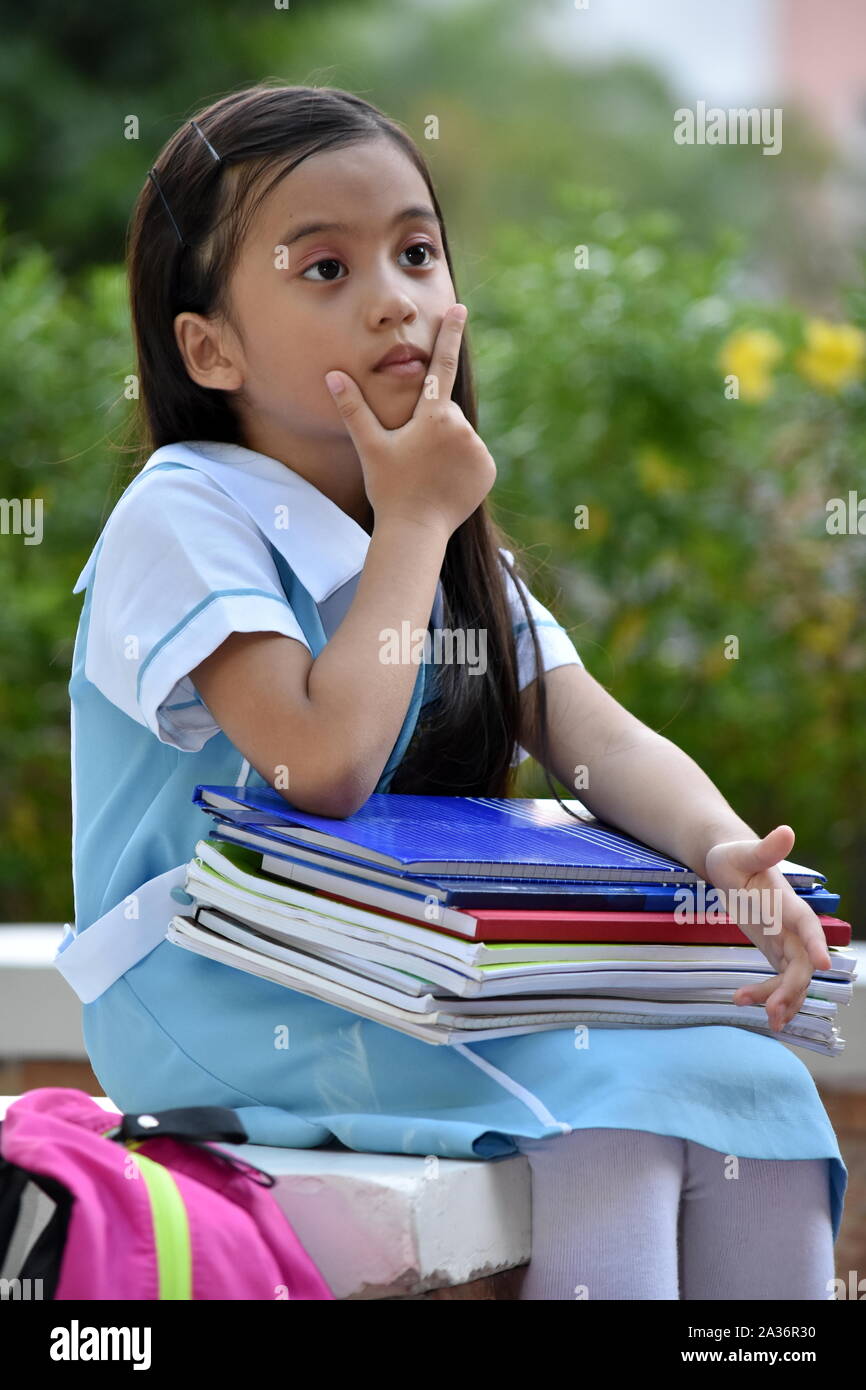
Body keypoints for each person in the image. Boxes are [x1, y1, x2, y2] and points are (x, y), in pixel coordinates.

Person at [55, 82, 845, 1300]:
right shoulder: (188, 512)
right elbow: (319, 766)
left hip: (382, 966)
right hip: (214, 986)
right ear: (208, 346)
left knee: (761, 1089)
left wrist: (725, 852)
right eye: (323, 268)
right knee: (619, 1104)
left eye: (415, 252)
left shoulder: (428, 532)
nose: (395, 299)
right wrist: (417, 521)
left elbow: (592, 732)